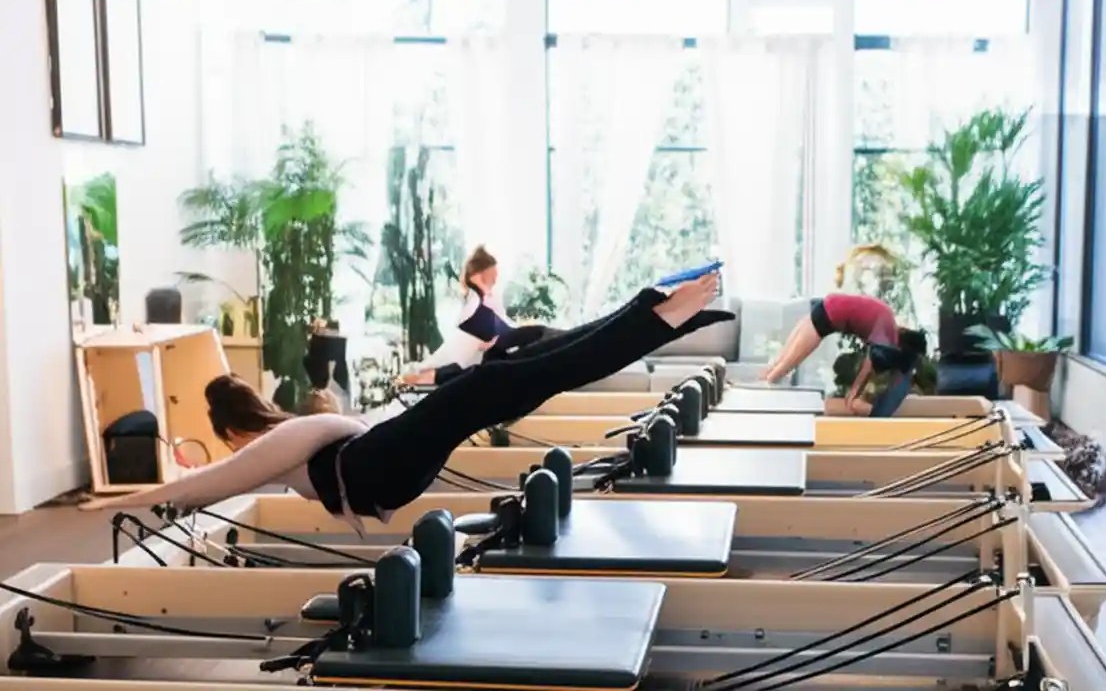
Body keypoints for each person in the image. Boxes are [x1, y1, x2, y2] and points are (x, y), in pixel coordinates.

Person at [79, 273, 732, 535]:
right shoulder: (293, 441)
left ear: (231, 430)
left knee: (526, 367)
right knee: (523, 374)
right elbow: (216, 482)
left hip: (389, 466)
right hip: (390, 464)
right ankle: (653, 315)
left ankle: (654, 314)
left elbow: (213, 482)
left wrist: (117, 501)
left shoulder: (280, 443)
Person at [401, 245, 559, 386]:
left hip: (498, 350)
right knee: (539, 335)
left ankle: (420, 373)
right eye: (493, 274)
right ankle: (419, 374)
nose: (496, 278)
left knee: (539, 335)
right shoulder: (478, 308)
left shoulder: (482, 304)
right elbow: (457, 353)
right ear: (480, 275)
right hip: (490, 356)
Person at [762, 293, 926, 414]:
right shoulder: (888, 333)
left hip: (825, 306)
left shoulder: (888, 321)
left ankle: (762, 398)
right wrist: (855, 393)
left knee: (776, 366)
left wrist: (854, 391)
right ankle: (765, 409)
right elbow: (870, 363)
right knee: (778, 372)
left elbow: (869, 360)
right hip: (828, 316)